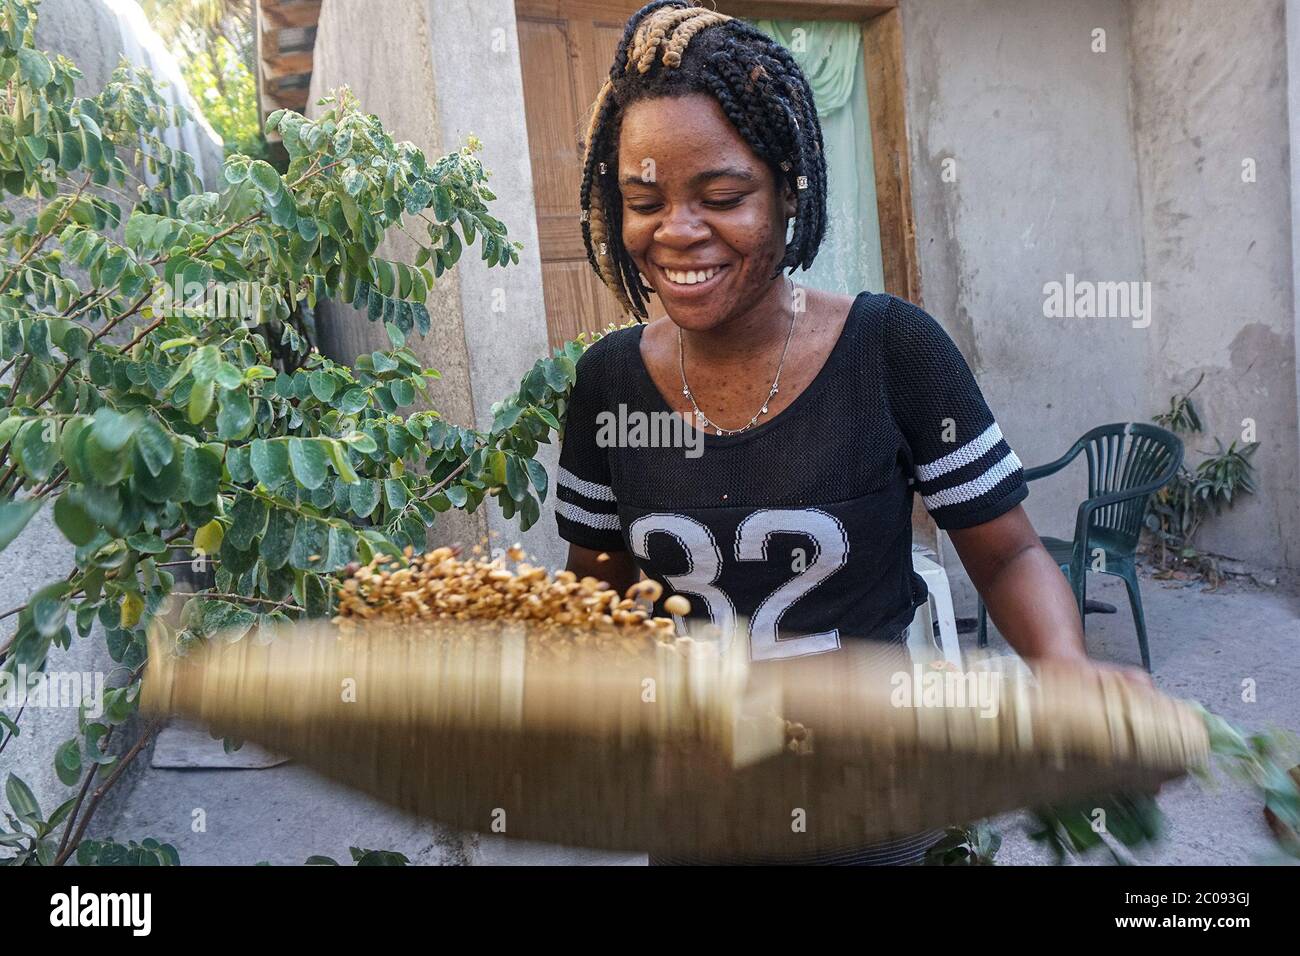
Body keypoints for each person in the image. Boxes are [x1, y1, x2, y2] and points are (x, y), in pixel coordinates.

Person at [554, 0, 1141, 865]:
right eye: (644, 201)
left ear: (788, 190)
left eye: (721, 196)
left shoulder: (892, 351)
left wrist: (1063, 665)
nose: (677, 232)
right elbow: (595, 594)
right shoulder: (609, 382)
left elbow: (1008, 554)